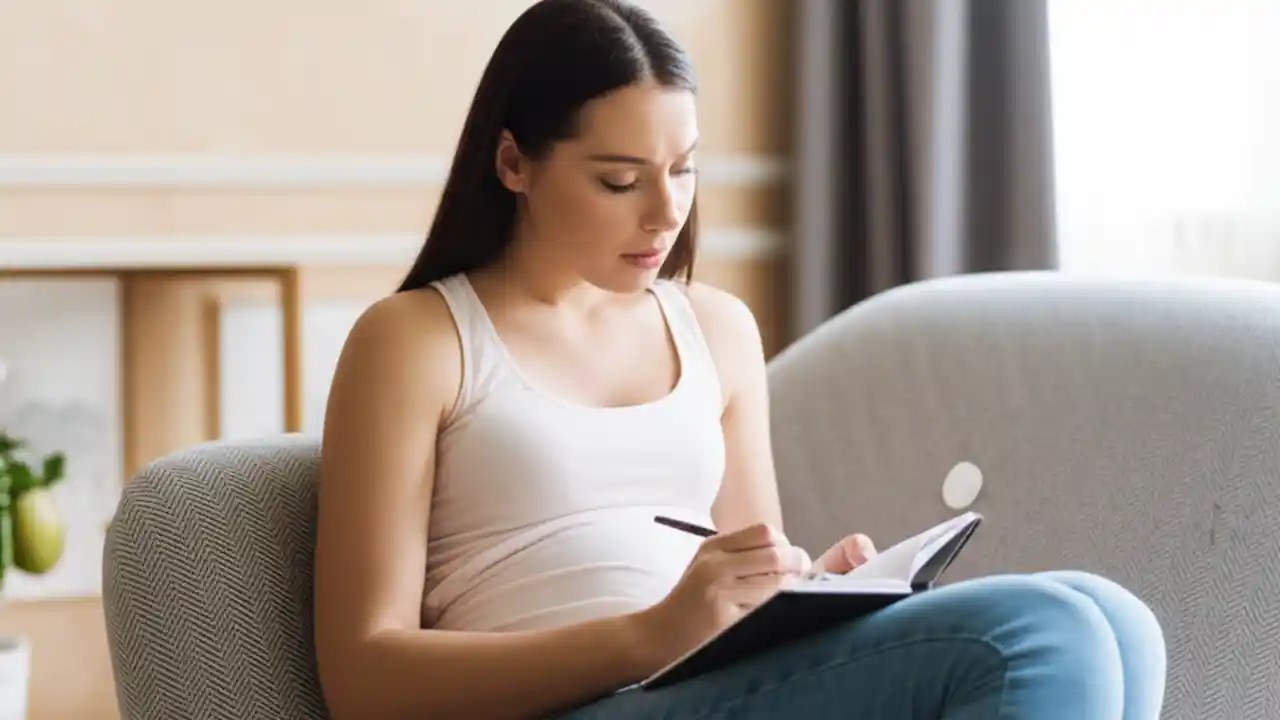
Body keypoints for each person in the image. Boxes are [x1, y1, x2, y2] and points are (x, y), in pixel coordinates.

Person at [312, 1, 1167, 717]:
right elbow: (363, 676)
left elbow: (748, 572)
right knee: (1039, 629)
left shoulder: (716, 329)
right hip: (576, 702)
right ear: (512, 163)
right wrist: (647, 634)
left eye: (682, 170)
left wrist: (810, 592)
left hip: (703, 686)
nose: (664, 214)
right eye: (619, 181)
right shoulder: (417, 340)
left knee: (1114, 617)